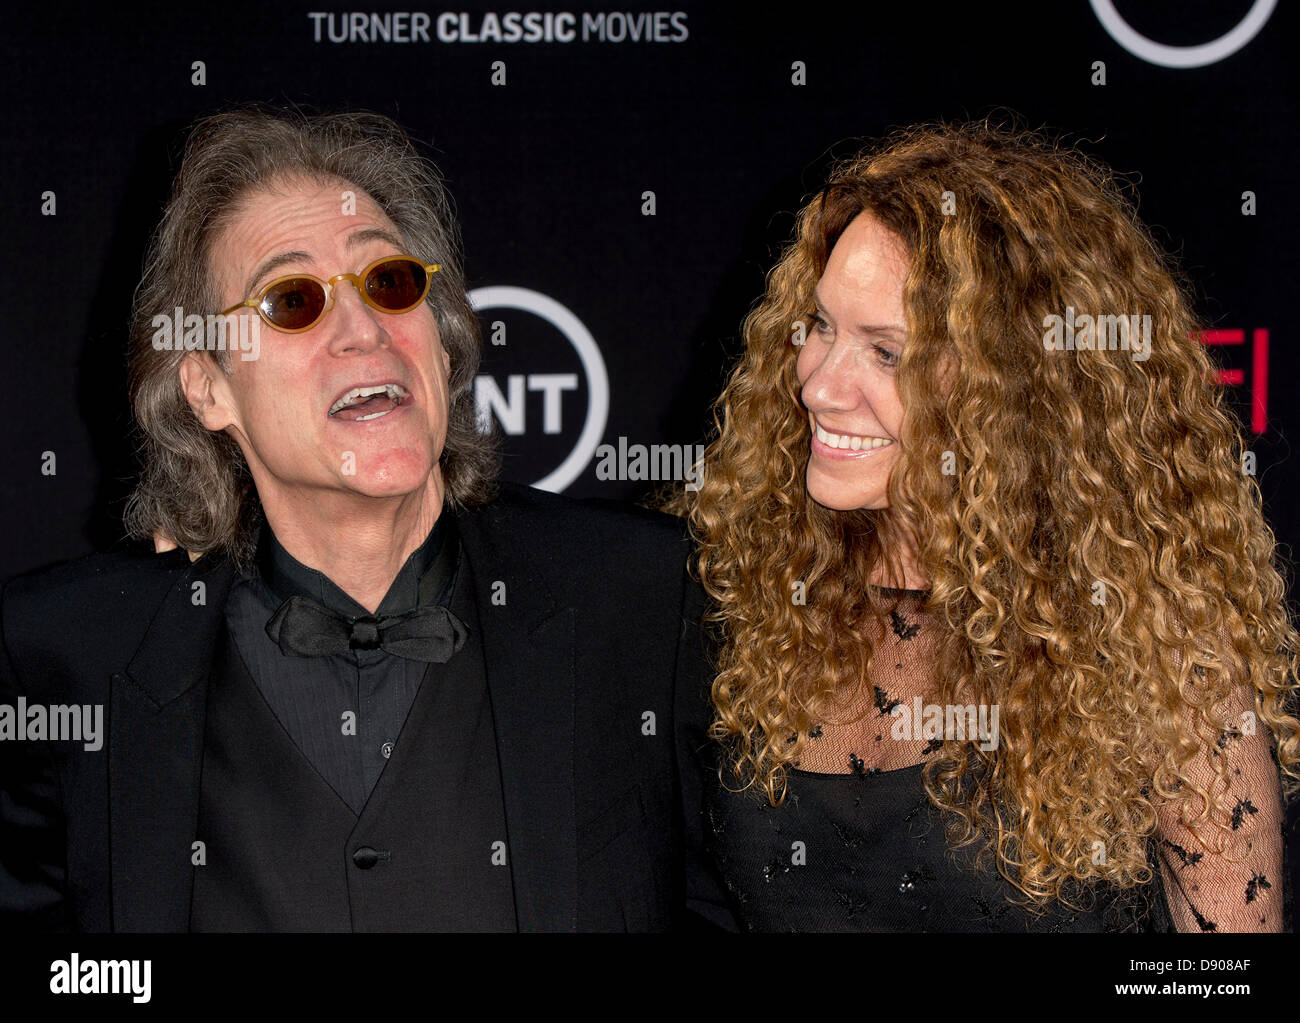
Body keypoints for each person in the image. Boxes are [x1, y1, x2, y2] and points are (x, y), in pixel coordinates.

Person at [0, 107, 728, 932]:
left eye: (388, 281)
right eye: (293, 299)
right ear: (206, 385)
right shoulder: (63, 663)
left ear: (442, 339)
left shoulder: (646, 603)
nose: (362, 329)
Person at [674, 122, 1300, 932]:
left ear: (1013, 392)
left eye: (886, 352)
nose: (820, 386)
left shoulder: (1164, 660)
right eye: (821, 327)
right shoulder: (746, 591)